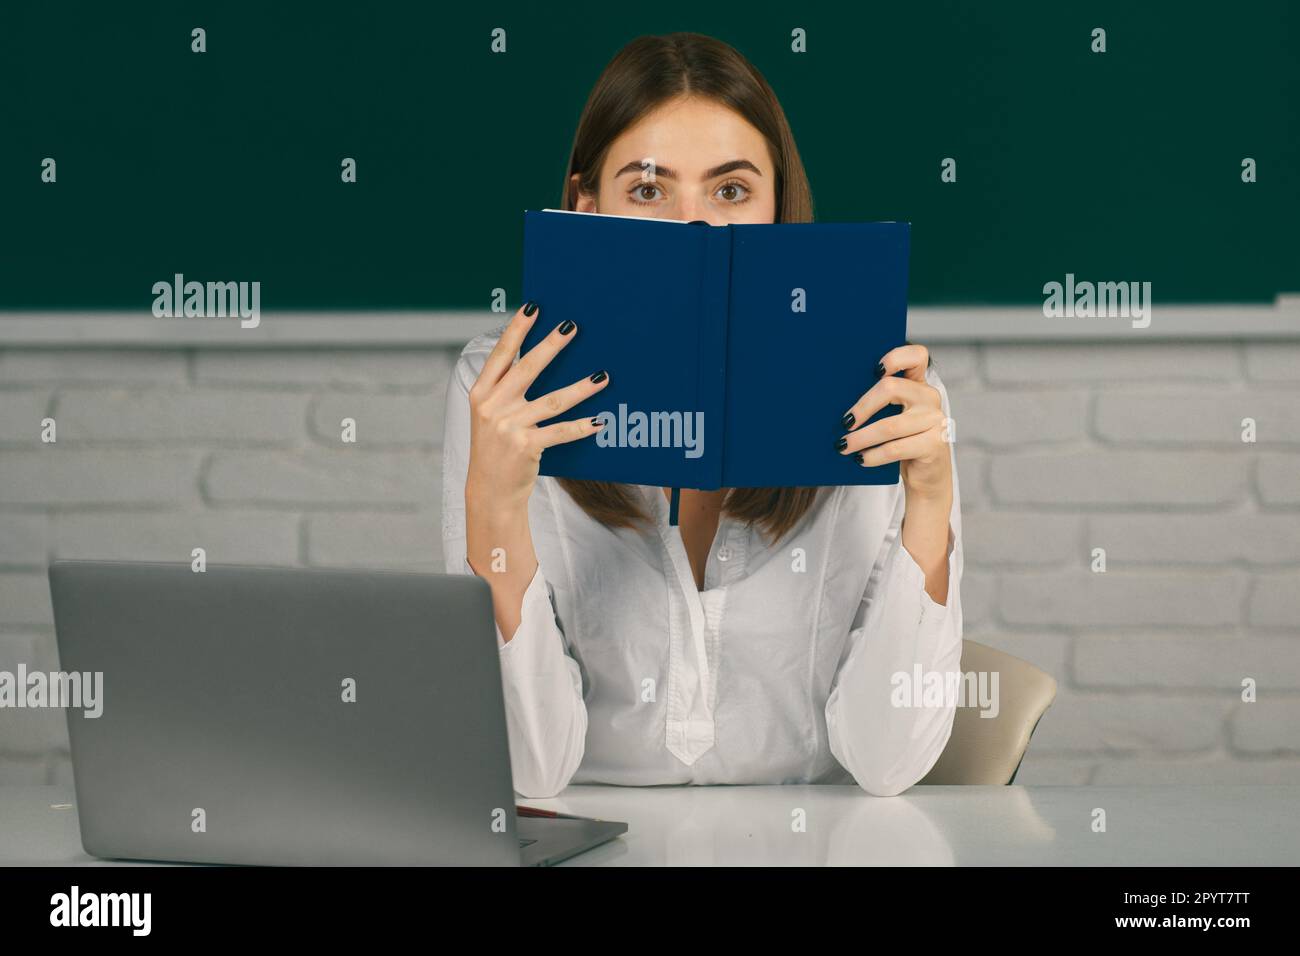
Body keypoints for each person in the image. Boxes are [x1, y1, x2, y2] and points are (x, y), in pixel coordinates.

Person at [442, 32, 962, 797]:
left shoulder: (887, 394)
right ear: (587, 206)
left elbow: (889, 766)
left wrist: (932, 503)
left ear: (779, 208)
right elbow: (529, 771)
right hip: (594, 841)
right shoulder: (499, 395)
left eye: (730, 191)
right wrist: (493, 503)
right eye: (648, 190)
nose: (695, 228)